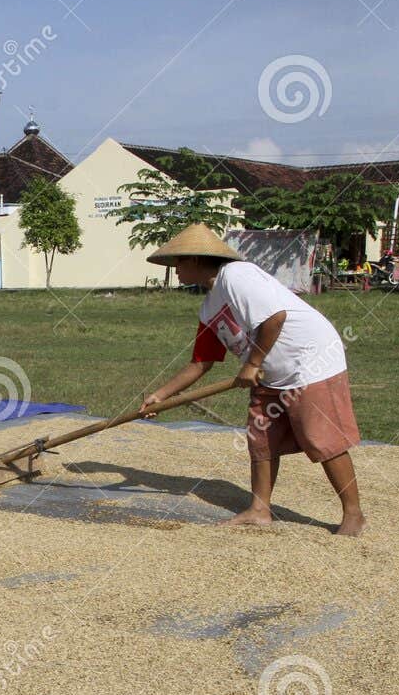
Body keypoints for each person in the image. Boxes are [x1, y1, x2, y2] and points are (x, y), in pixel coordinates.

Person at [138, 224, 365, 537]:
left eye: (178, 263)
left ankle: (353, 514)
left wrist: (253, 362)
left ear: (195, 260)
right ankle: (260, 509)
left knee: (320, 436)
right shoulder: (208, 309)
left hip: (309, 359)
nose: (174, 271)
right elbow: (201, 363)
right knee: (261, 435)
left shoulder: (237, 276)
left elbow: (275, 317)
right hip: (270, 371)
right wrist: (160, 396)